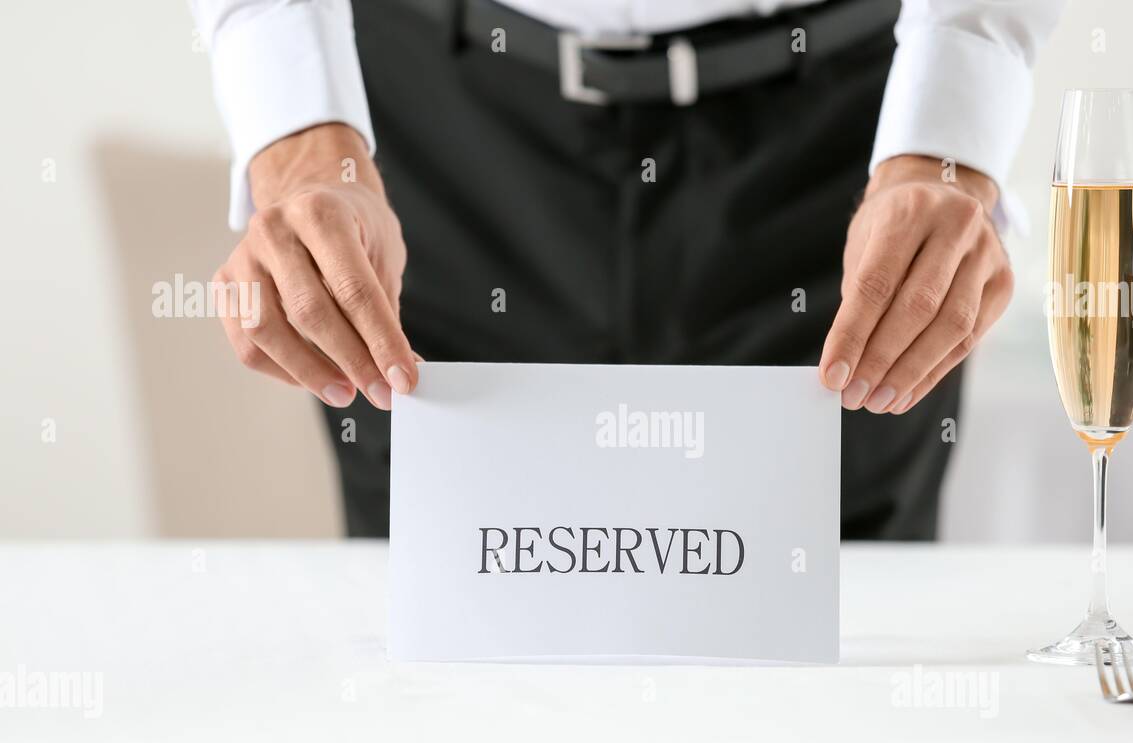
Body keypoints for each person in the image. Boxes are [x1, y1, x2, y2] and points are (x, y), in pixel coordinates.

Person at [190, 0, 1064, 538]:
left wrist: (940, 150)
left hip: (837, 145)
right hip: (442, 139)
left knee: (853, 655)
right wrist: (304, 153)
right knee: (436, 655)